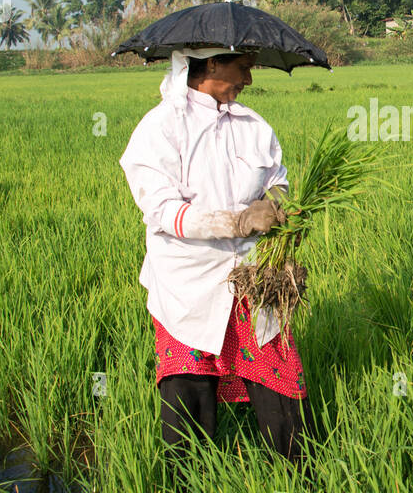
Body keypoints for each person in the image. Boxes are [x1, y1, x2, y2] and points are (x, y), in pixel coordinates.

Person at [119, 47, 306, 467]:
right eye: (243, 68)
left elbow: (278, 180)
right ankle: (188, 491)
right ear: (212, 63)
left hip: (253, 276)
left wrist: (277, 203)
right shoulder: (161, 129)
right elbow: (163, 211)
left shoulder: (255, 126)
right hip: (189, 283)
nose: (249, 80)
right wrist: (236, 221)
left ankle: (300, 476)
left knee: (277, 378)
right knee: (189, 388)